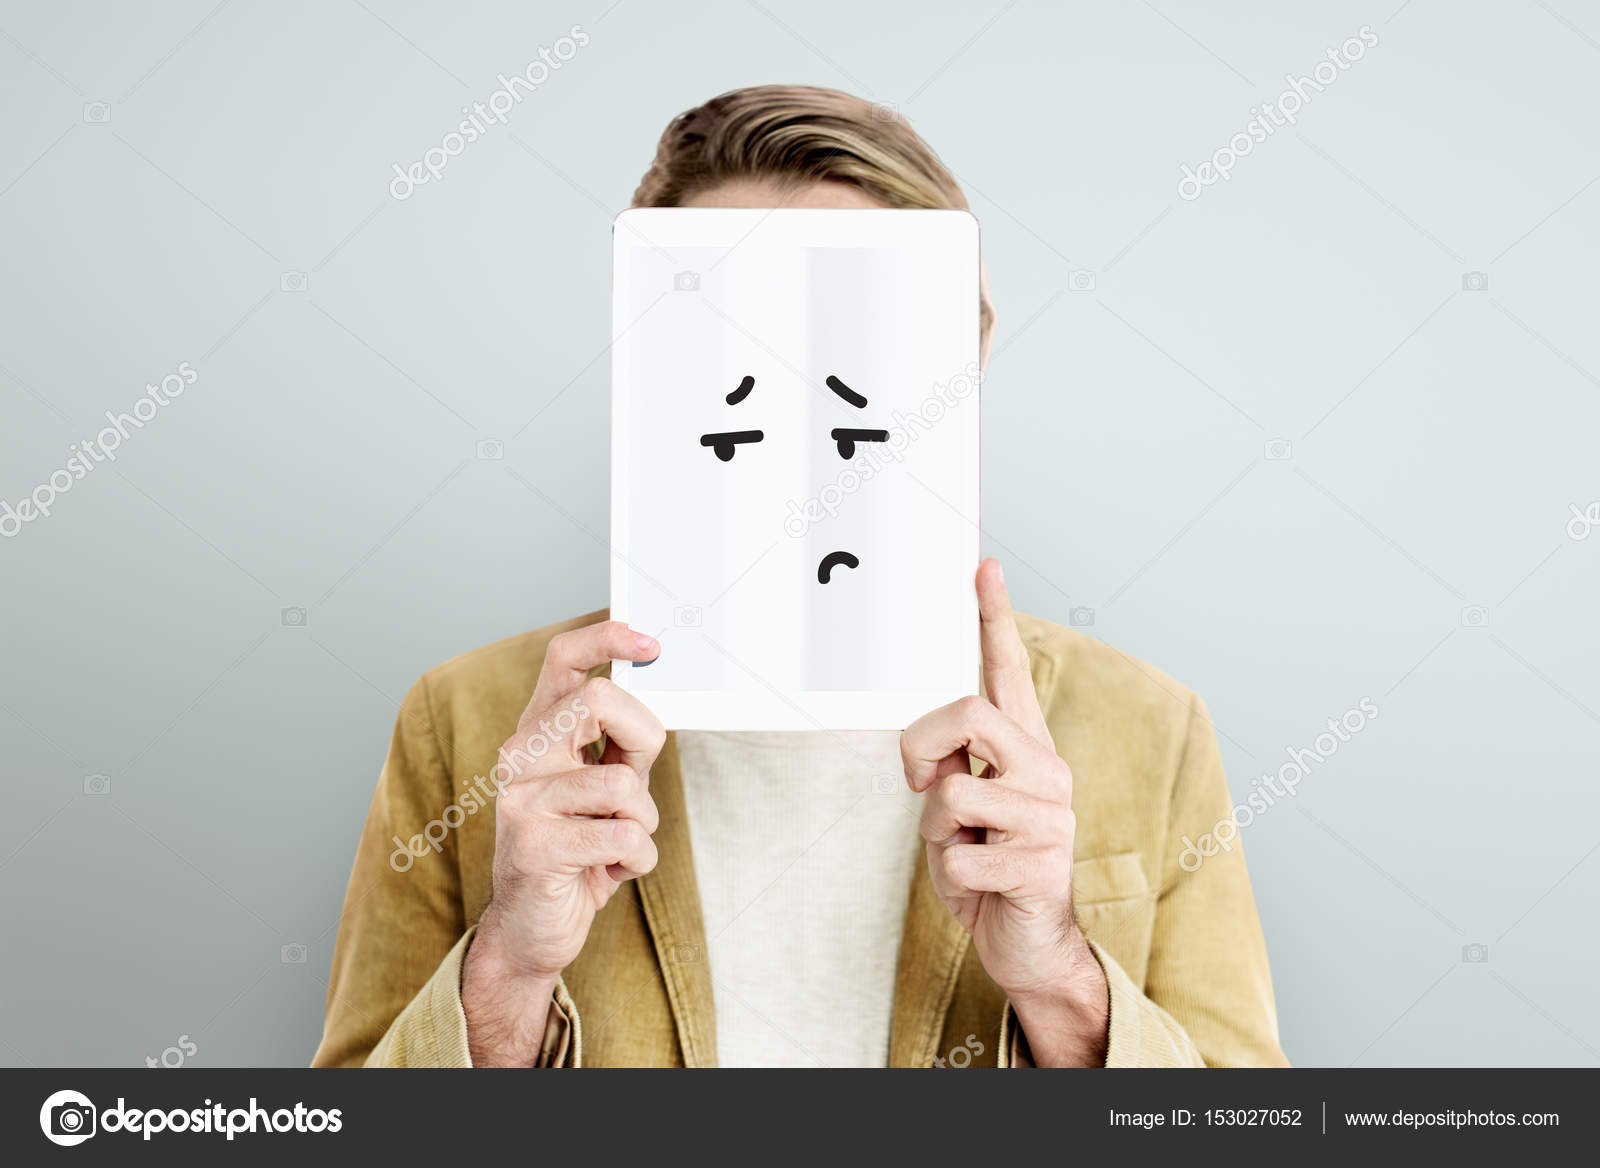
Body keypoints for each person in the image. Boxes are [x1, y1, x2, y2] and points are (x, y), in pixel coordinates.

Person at [312, 85, 1286, 1068]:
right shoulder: (466, 724)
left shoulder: (1149, 731)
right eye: (726, 323)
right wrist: (507, 975)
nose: (790, 396)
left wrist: (1063, 986)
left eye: (845, 322)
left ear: (963, 352)